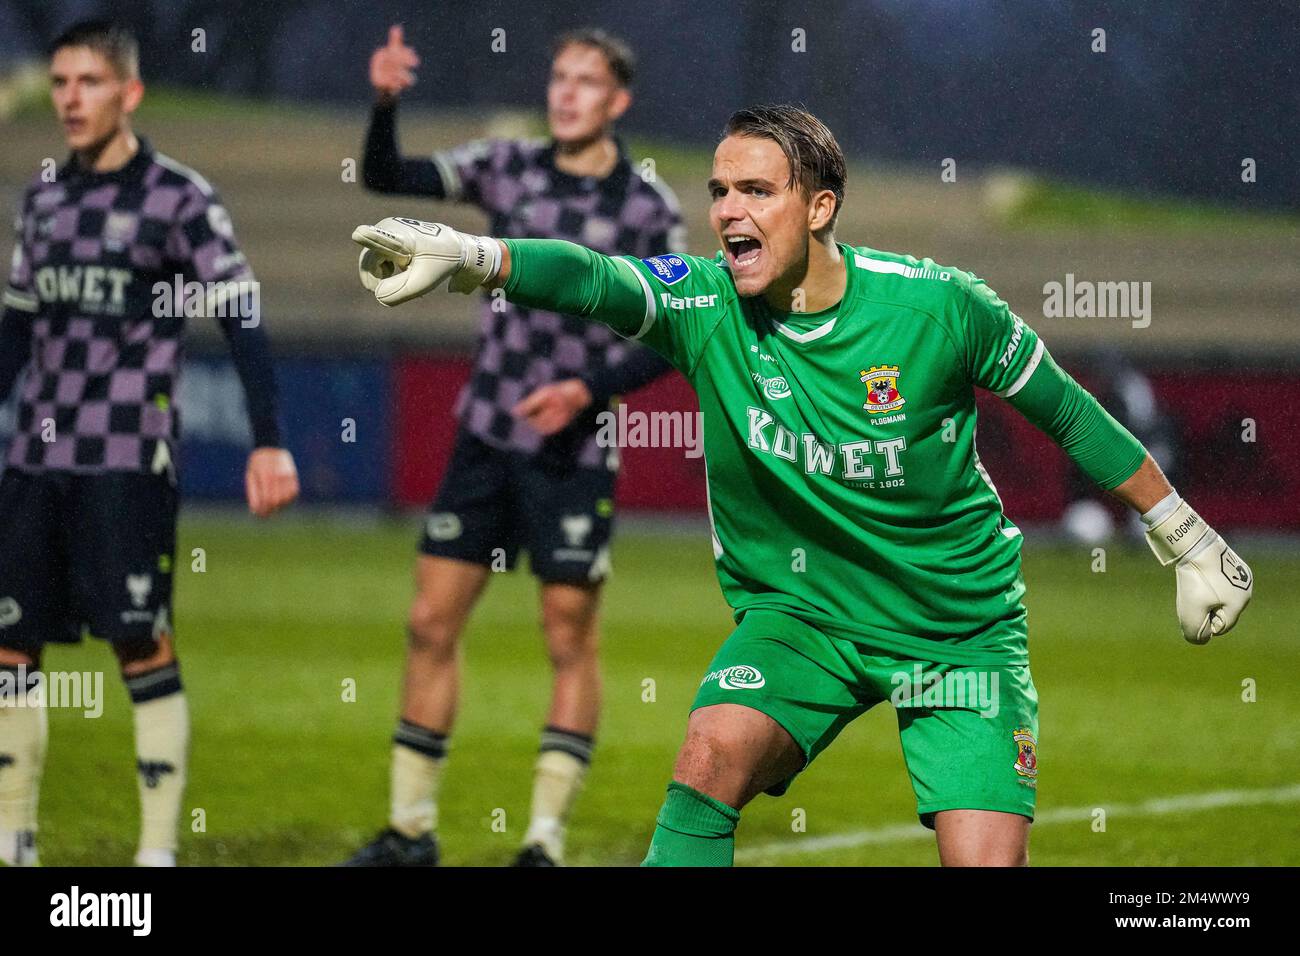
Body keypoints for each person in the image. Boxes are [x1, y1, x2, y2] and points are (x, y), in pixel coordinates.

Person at [351, 103, 1255, 866]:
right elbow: (591, 277)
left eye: (757, 190)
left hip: (955, 626)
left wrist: (1183, 532)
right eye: (719, 191)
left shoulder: (939, 308)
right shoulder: (703, 304)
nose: (729, 212)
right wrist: (475, 255)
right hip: (803, 619)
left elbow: (1065, 411)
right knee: (710, 748)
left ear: (819, 206)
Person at [344, 26, 683, 867]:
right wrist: (385, 102)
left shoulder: (648, 207)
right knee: (429, 622)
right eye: (558, 77)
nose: (565, 92)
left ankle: (542, 839)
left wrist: (585, 390)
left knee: (567, 634)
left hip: (572, 446)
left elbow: (673, 328)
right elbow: (388, 178)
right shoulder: (507, 165)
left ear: (618, 101)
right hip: (488, 433)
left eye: (585, 81)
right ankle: (410, 831)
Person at [0, 20, 299, 867]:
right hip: (34, 462)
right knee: (11, 646)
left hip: (126, 462)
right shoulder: (46, 195)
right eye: (59, 82)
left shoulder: (178, 196)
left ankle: (158, 853)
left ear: (128, 92)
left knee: (140, 642)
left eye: (88, 82)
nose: (68, 98)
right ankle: (13, 844)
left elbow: (240, 314)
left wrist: (268, 440)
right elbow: (18, 333)